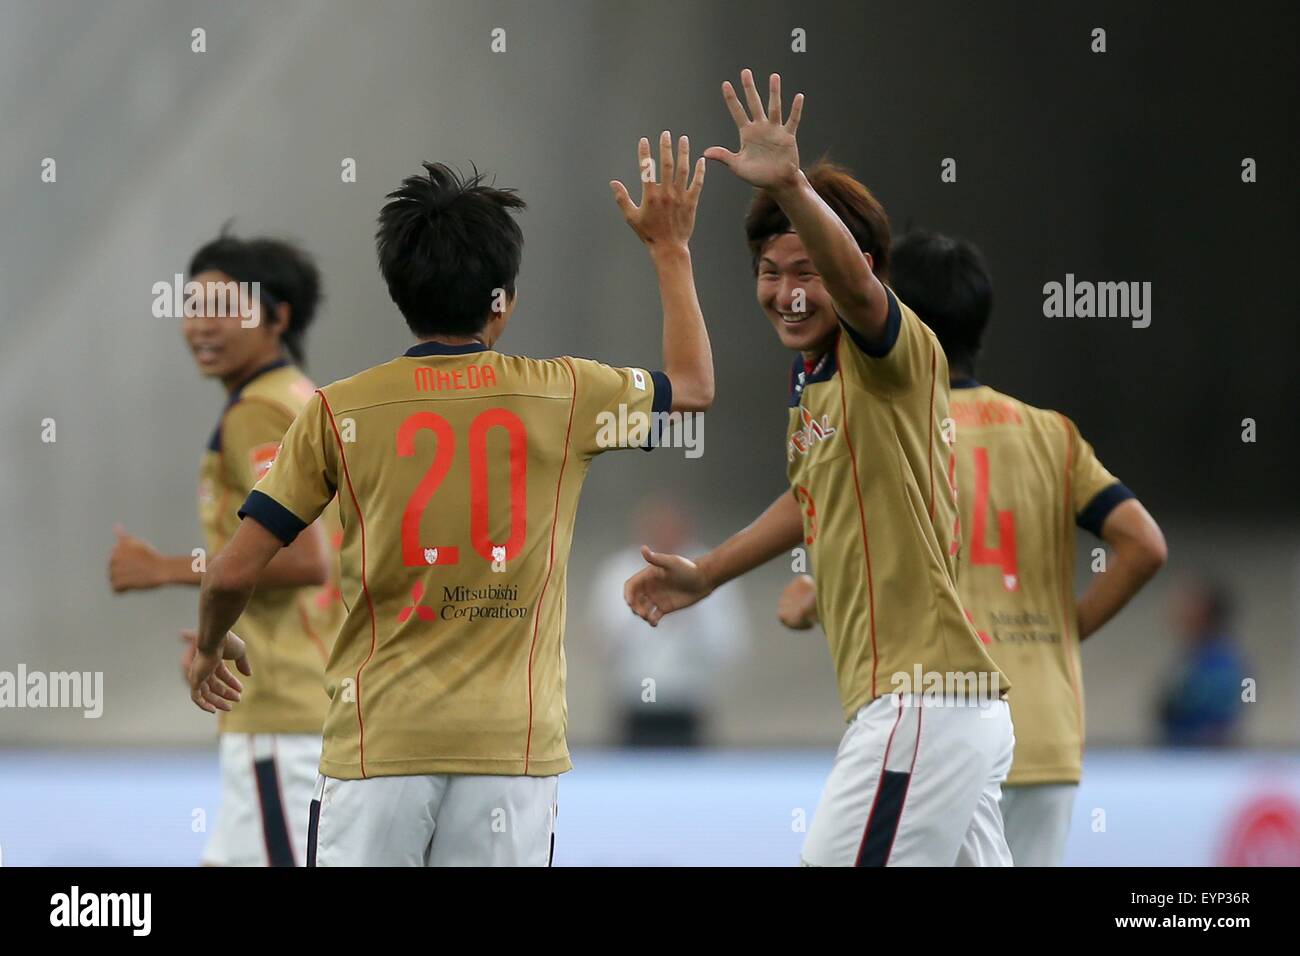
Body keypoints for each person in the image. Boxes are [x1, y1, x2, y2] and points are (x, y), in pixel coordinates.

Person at [187, 138, 715, 867]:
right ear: (503, 302)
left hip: (378, 746)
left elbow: (230, 574)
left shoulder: (337, 410)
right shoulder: (566, 394)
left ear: (399, 291)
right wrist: (670, 249)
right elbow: (691, 391)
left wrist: (211, 643)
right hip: (511, 750)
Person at [625, 71, 1013, 866]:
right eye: (772, 273)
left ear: (857, 267)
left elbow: (861, 295)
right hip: (948, 710)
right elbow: (810, 498)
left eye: (807, 272)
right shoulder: (820, 384)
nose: (787, 294)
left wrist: (794, 184)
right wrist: (708, 574)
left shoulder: (891, 352)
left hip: (921, 703)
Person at [780, 230, 1168, 866]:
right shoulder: (1050, 433)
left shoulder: (903, 432)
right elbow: (1144, 545)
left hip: (940, 707)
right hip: (1043, 728)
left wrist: (816, 598)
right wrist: (1061, 635)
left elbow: (888, 552)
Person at [108, 231, 343, 866]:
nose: (199, 327)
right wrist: (221, 620)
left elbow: (303, 557)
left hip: (280, 706)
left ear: (277, 318)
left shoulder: (261, 412)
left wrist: (165, 569)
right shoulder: (302, 397)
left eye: (222, 309)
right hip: (289, 693)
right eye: (192, 308)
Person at [590, 498, 745, 747]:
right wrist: (642, 610)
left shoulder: (712, 570)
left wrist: (691, 614)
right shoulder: (618, 571)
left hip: (688, 705)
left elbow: (728, 645)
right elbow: (604, 642)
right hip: (634, 706)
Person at [1157, 577, 1246, 747]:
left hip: (1200, 760)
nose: (1180, 611)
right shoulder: (1190, 657)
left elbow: (1216, 723)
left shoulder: (1223, 664)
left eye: (1189, 605)